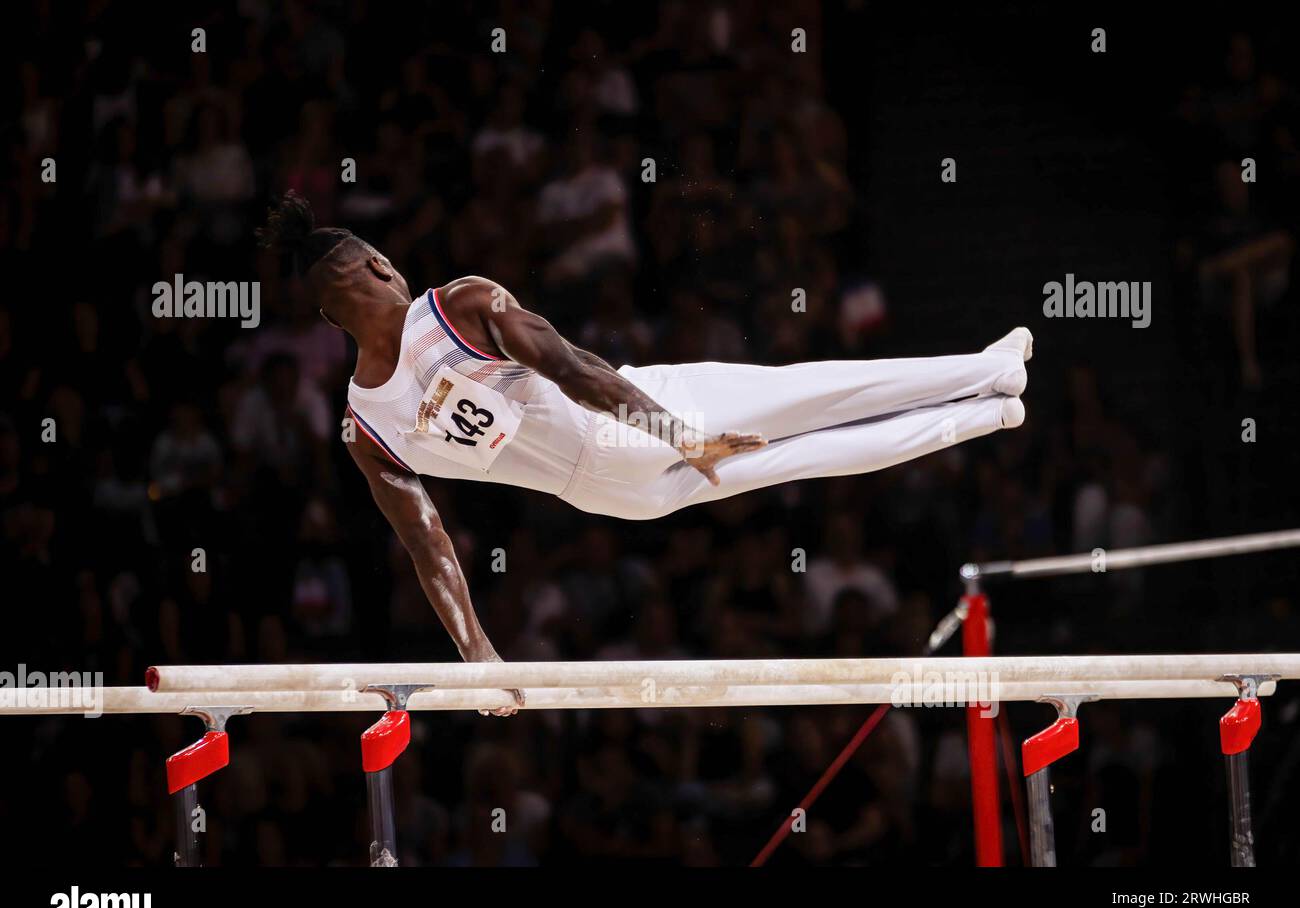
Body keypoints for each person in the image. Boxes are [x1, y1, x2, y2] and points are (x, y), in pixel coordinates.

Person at [257, 192, 1032, 715]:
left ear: (329, 320)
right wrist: (682, 437)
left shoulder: (365, 425)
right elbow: (575, 369)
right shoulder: (458, 304)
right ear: (380, 267)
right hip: (633, 425)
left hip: (609, 499)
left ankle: (988, 417)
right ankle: (990, 374)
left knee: (807, 458)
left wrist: (482, 661)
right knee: (815, 395)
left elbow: (429, 546)